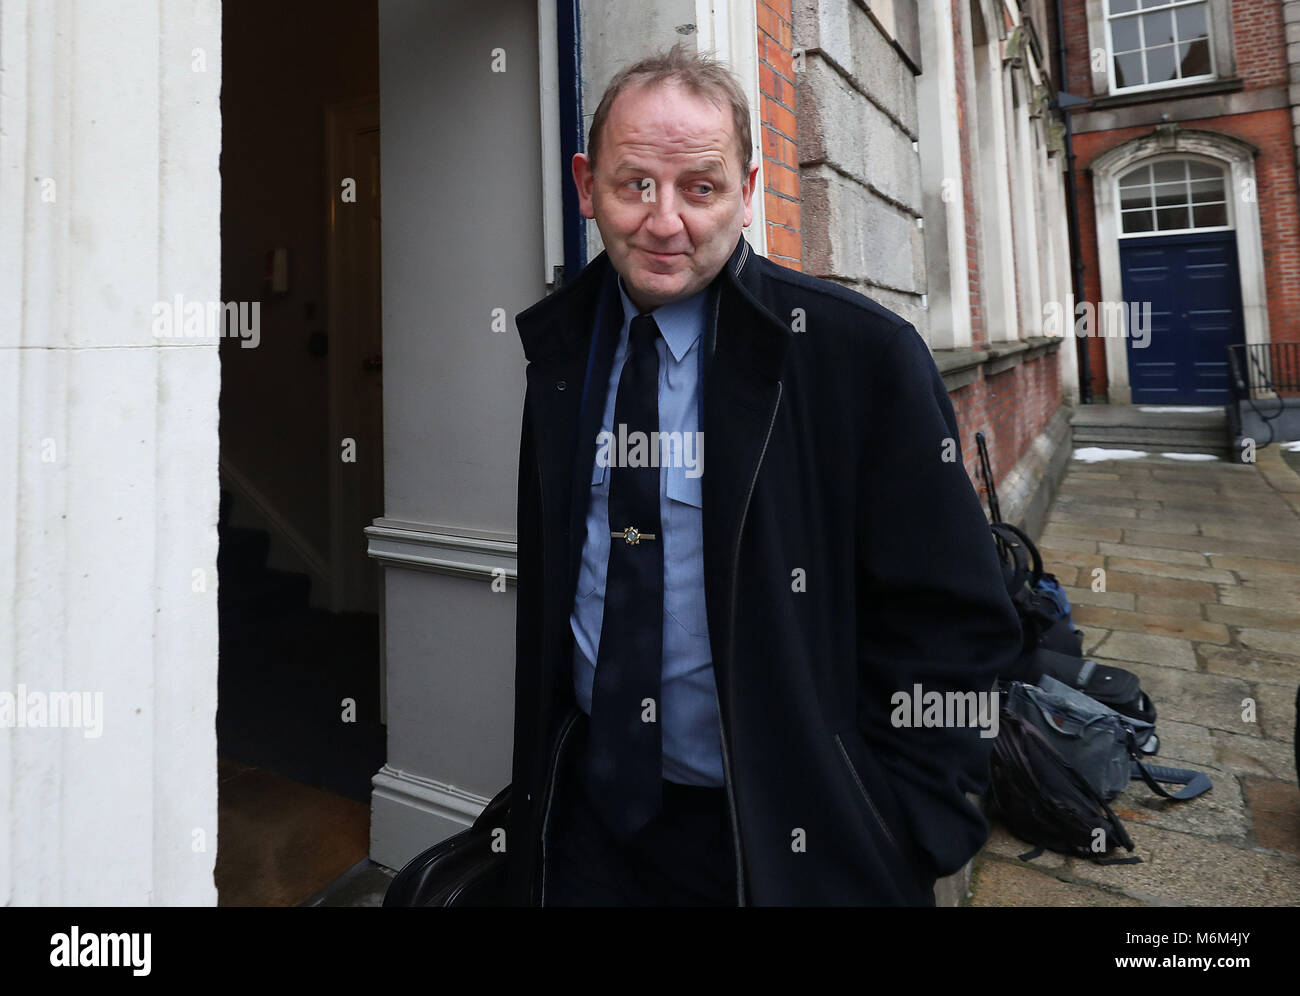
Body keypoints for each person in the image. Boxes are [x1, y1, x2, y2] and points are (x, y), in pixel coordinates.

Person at [503, 41, 1024, 906]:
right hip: (593, 823)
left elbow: (956, 624)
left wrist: (915, 826)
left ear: (747, 193)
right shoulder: (559, 352)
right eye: (634, 184)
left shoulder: (857, 358)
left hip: (781, 844)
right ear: (585, 183)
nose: (664, 221)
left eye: (699, 188)